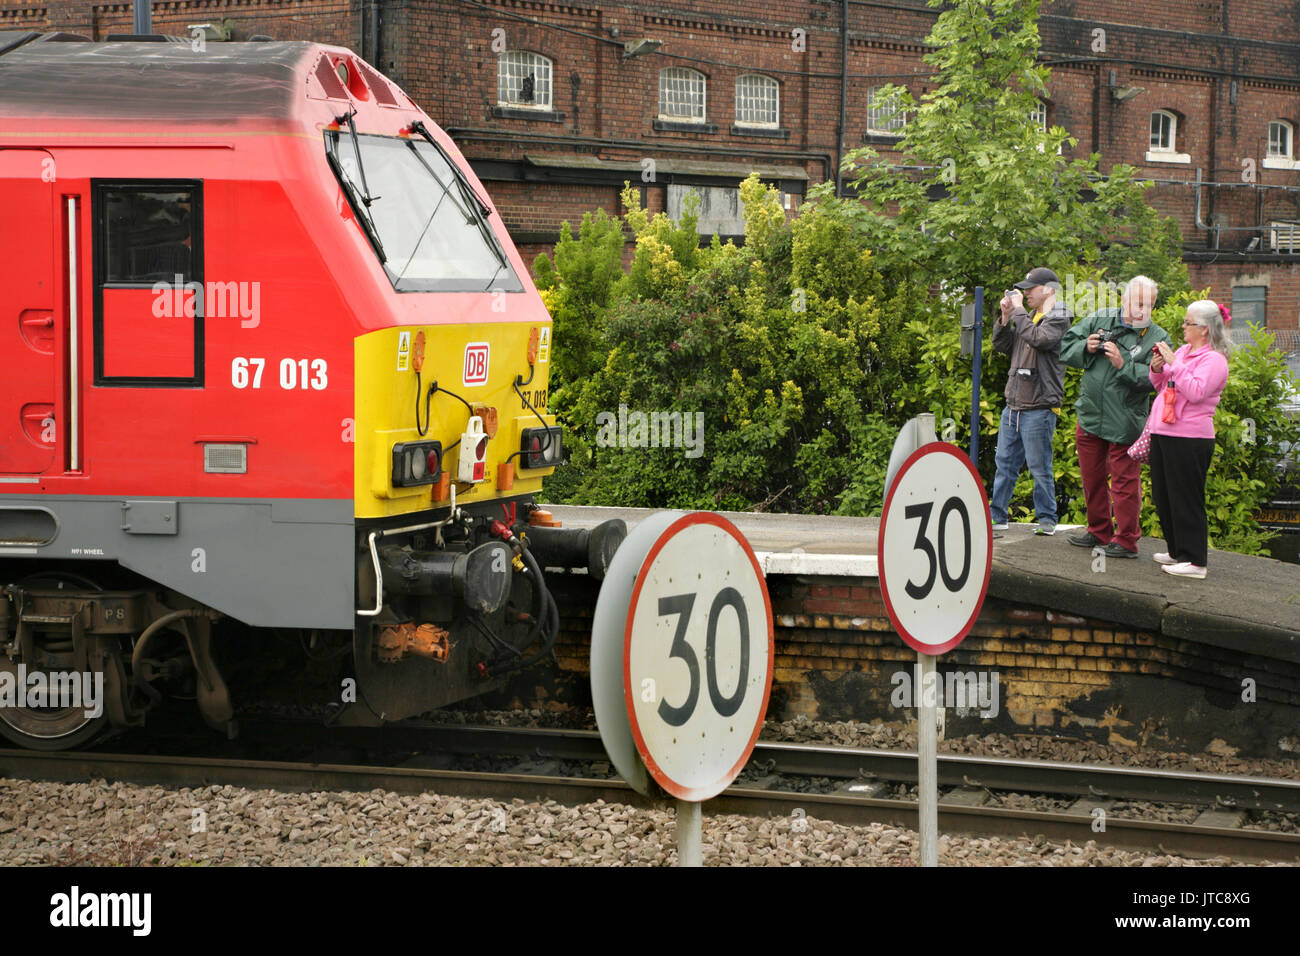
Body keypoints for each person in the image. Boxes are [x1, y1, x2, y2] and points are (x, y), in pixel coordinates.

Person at [1059, 276, 1171, 558]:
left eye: (1150, 305)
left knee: (1124, 484)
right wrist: (1087, 345)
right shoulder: (1100, 319)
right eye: (1138, 303)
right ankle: (1099, 531)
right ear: (1123, 299)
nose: (1143, 310)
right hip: (1090, 416)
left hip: (1124, 421)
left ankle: (1127, 540)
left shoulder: (1158, 338)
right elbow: (1065, 346)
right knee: (1092, 478)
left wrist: (1124, 365)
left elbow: (1158, 379)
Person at [1147, 300, 1232, 579]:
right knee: (1165, 495)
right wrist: (1157, 368)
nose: (1183, 327)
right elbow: (1162, 386)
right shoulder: (1184, 351)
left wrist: (1175, 364)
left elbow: (1195, 392)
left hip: (1190, 436)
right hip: (1165, 431)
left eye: (1188, 323)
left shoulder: (1215, 360)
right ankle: (1177, 551)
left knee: (1186, 497)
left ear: (1204, 330)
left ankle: (1195, 560)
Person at [990, 267, 1072, 535]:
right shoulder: (1029, 316)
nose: (1025, 293)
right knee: (1004, 463)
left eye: (1030, 288)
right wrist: (1004, 316)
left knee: (1039, 466)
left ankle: (1047, 519)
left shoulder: (1059, 315)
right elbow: (1001, 345)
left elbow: (1039, 339)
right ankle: (997, 516)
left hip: (1039, 407)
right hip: (1013, 405)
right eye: (1023, 289)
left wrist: (1018, 312)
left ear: (1048, 289)